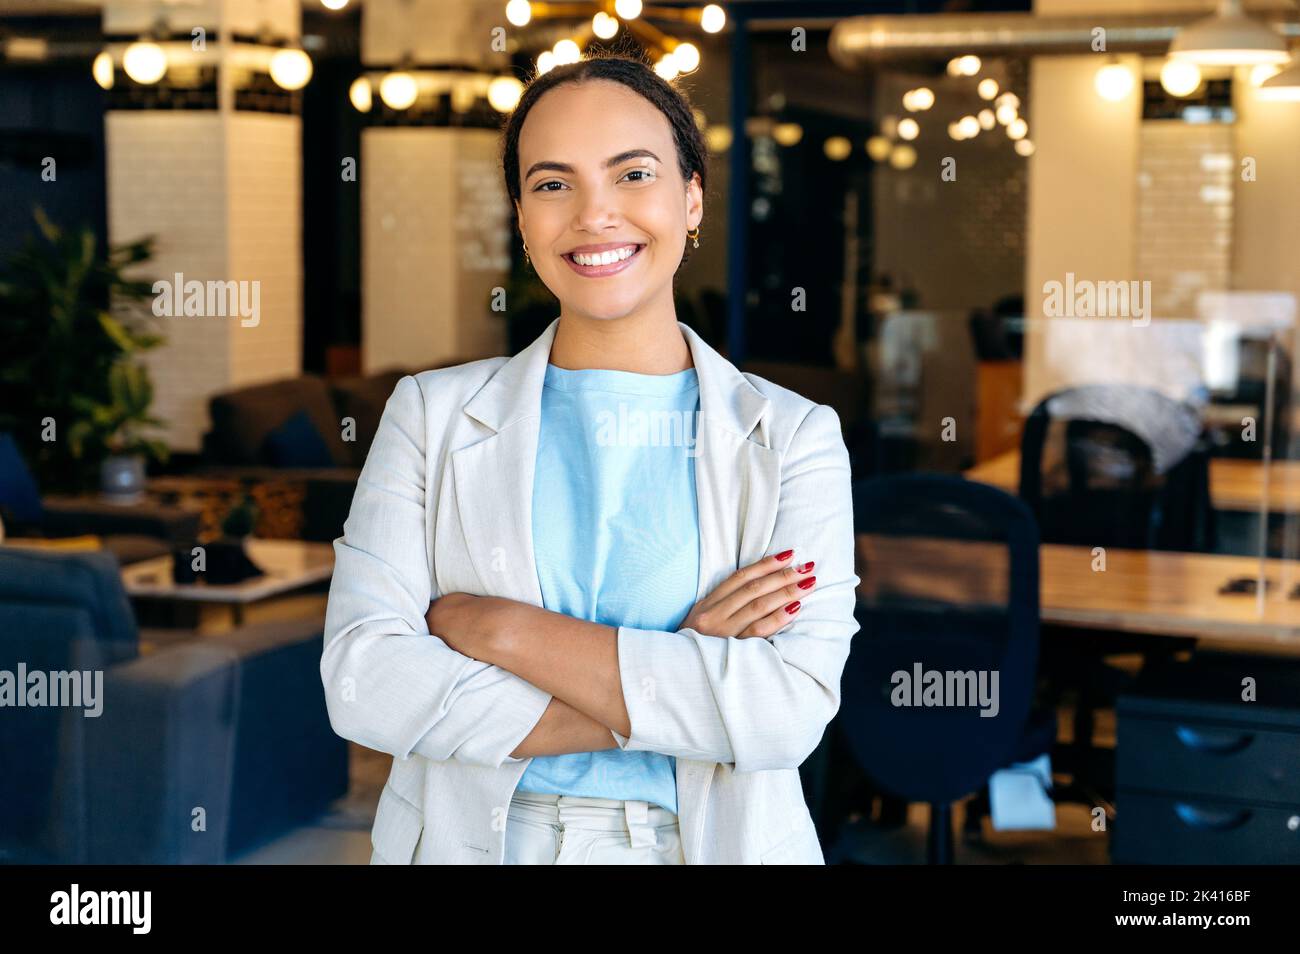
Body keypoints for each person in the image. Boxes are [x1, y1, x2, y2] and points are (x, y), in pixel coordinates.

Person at [321, 53, 860, 865]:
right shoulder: (431, 416)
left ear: (692, 198)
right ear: (521, 215)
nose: (593, 214)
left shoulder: (792, 438)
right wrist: (684, 658)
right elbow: (364, 681)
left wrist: (503, 629)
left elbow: (785, 713)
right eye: (552, 184)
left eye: (632, 174)